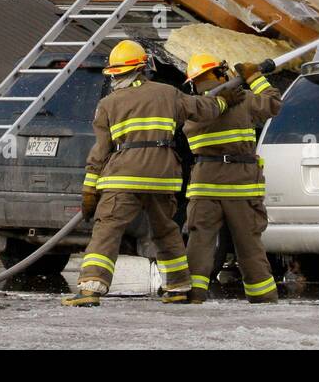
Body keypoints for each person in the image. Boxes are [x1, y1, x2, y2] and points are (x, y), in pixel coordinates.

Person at [62, 39, 227, 308]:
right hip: (162, 178)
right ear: (142, 68)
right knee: (166, 231)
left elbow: (101, 152)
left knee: (108, 230)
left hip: (123, 179)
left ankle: (91, 287)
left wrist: (89, 188)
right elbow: (203, 109)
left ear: (115, 73)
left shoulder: (108, 104)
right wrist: (223, 101)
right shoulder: (168, 93)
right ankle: (178, 286)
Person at [181, 54, 283, 304]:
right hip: (240, 185)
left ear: (193, 82)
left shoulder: (192, 108)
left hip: (205, 187)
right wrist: (255, 78)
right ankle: (263, 296)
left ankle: (193, 294)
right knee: (248, 242)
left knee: (200, 242)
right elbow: (273, 105)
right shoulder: (244, 100)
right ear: (219, 73)